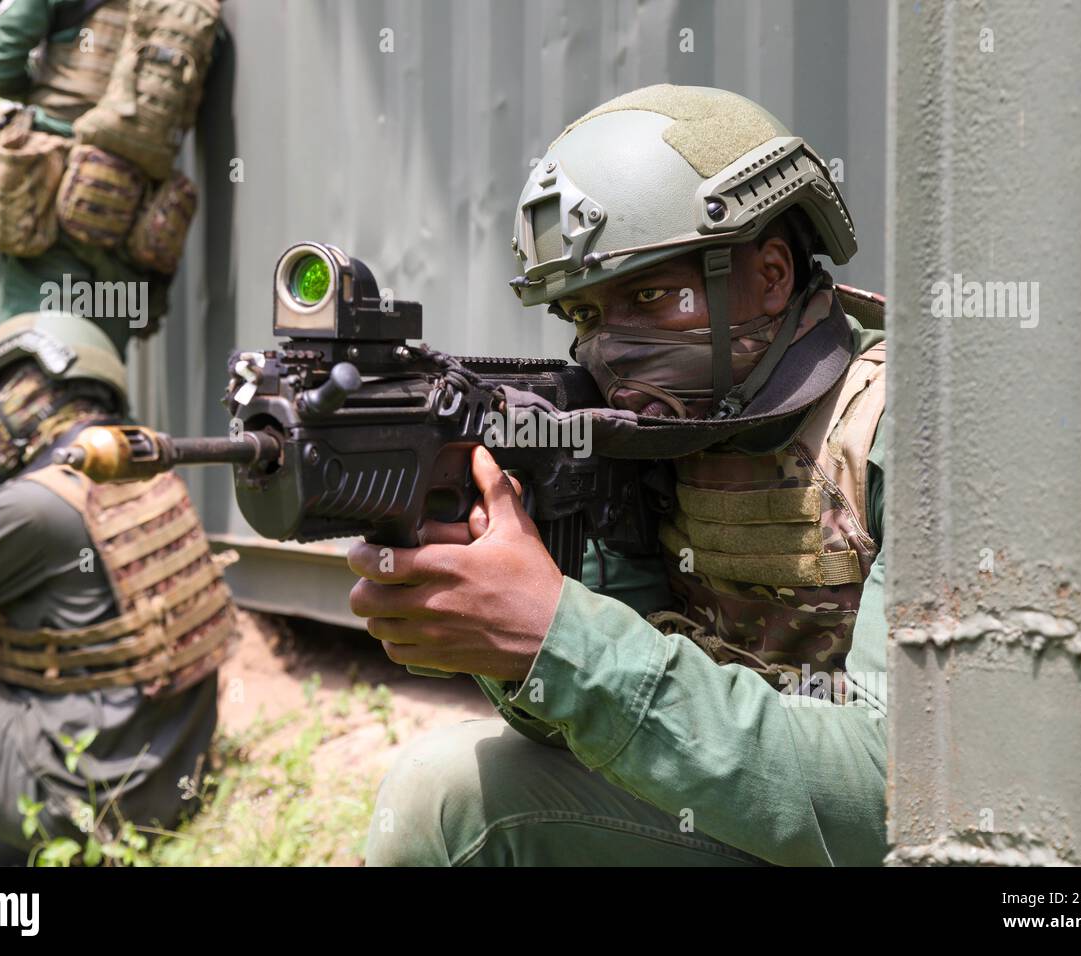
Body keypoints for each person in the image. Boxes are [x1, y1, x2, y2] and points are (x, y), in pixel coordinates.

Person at [354, 85, 890, 866]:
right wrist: (507, 630)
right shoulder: (651, 437)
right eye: (589, 319)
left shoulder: (905, 431)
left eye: (648, 295)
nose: (609, 353)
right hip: (732, 809)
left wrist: (558, 634)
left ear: (770, 275)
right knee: (443, 800)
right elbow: (597, 724)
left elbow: (894, 798)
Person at [0, 311, 236, 866]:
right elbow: (78, 587)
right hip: (162, 792)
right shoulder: (146, 478)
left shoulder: (35, 505)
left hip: (79, 797)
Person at [0, 0, 219, 355]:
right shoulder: (192, 5)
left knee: (30, 356)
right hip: (130, 205)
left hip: (48, 195)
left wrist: (46, 88)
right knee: (100, 359)